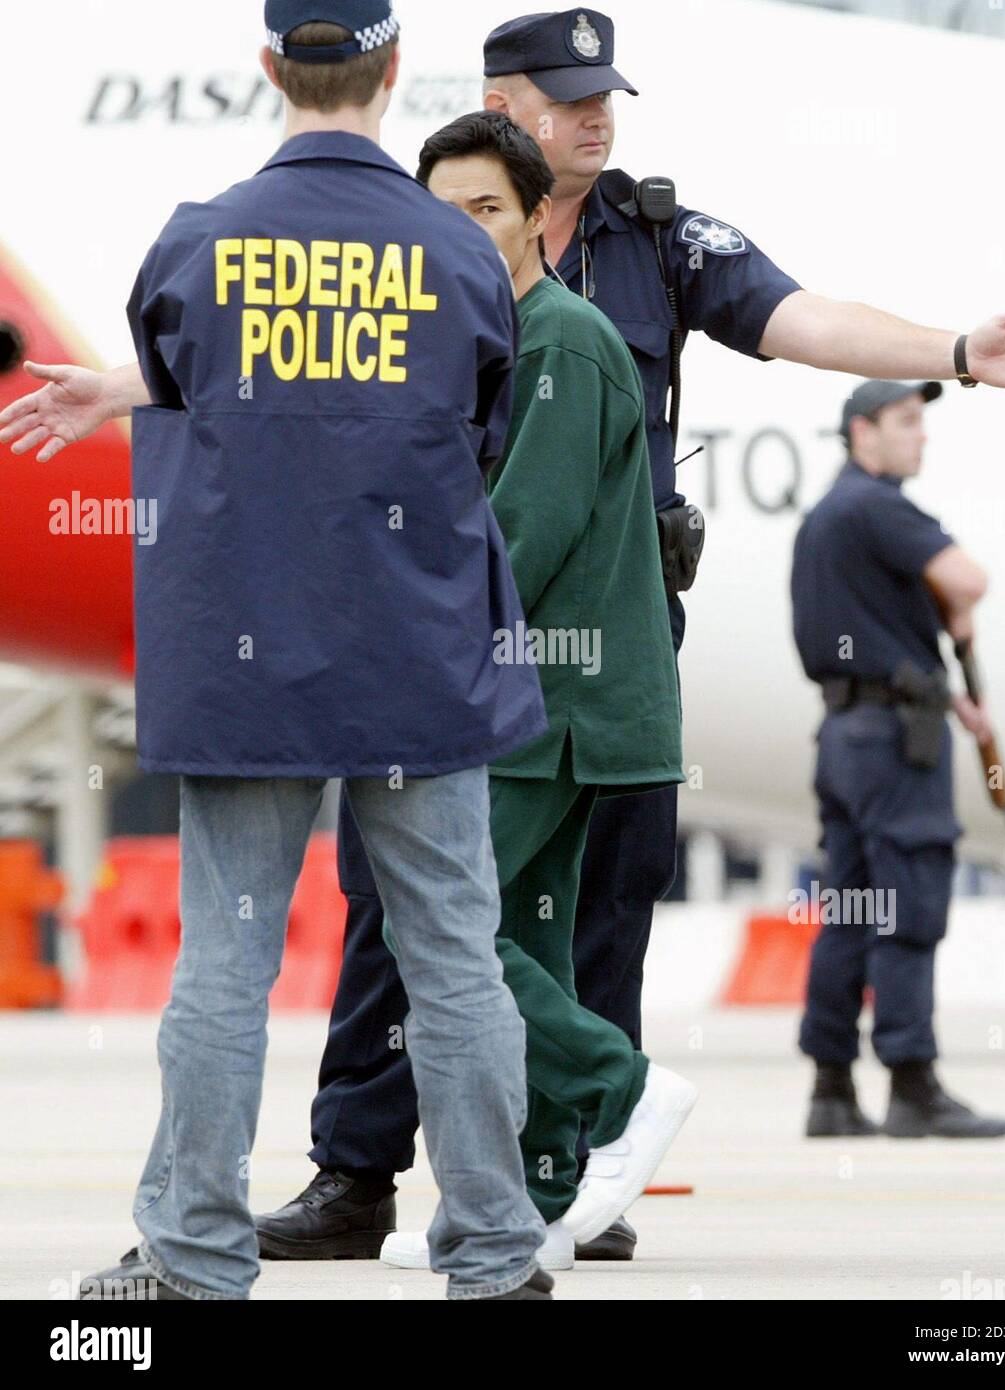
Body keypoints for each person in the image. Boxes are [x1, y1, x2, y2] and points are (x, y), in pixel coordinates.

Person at [3, 7, 1005, 1267]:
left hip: (516, 641)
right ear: (484, 102)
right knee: (422, 927)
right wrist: (127, 390)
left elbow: (798, 318)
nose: (595, 117)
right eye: (568, 98)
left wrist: (953, 352)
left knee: (555, 914)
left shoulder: (654, 240)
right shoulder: (441, 246)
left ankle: (558, 1176)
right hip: (450, 645)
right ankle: (412, 1194)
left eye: (603, 96)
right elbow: (342, 371)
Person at [29, 0, 559, 1303]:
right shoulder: (458, 251)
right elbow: (479, 424)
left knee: (225, 963)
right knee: (456, 963)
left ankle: (197, 1256)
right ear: (394, 69)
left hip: (245, 665)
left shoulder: (196, 241)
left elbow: (198, 380)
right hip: (417, 659)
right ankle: (496, 1256)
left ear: (272, 65)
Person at [378, 108, 696, 1269]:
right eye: (443, 211)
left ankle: (625, 1089)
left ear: (534, 219)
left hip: (549, 702)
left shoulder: (558, 339)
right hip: (549, 701)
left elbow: (523, 532)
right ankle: (541, 1193)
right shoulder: (494, 336)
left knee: (441, 924)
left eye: (488, 208)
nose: (465, 229)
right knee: (526, 933)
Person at [790, 380, 1005, 1141]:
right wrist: (956, 613)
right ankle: (913, 1086)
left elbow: (870, 630)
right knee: (909, 907)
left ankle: (830, 1090)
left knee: (849, 911)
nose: (921, 436)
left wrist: (946, 693)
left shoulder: (826, 516)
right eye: (906, 421)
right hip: (893, 743)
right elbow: (969, 579)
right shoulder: (877, 506)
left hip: (844, 733)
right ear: (863, 432)